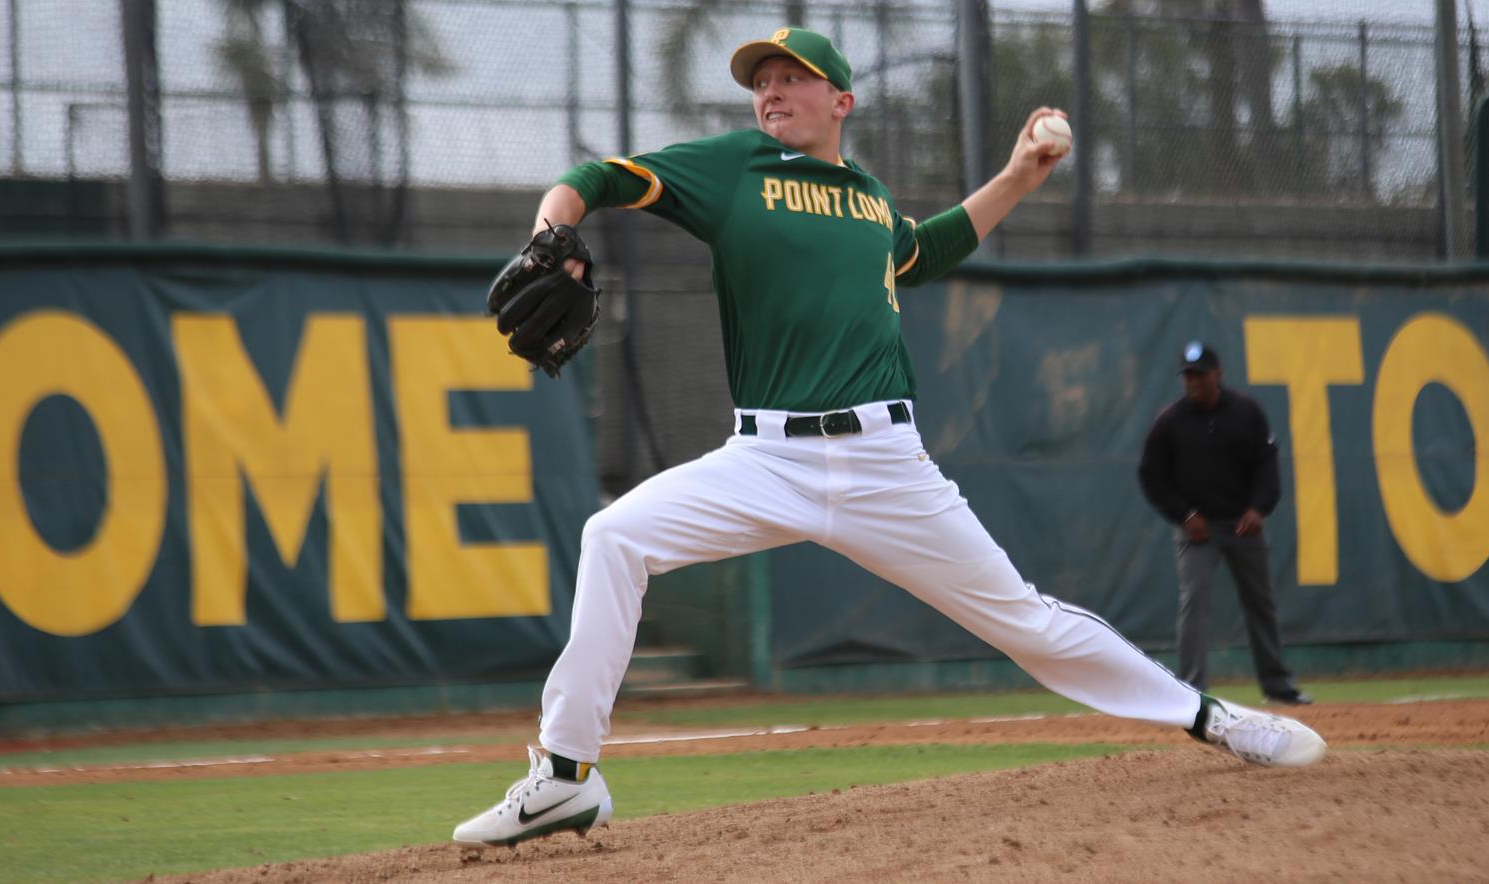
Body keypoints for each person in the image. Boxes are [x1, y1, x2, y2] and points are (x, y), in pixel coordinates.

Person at [451, 28, 1325, 850]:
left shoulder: (869, 201)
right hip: (765, 458)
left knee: (1024, 619)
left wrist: (1021, 173)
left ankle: (1215, 719)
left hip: (886, 465)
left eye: (791, 77)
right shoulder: (732, 169)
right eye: (761, 81)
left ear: (843, 101)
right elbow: (595, 179)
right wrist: (548, 231)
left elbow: (925, 248)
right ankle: (566, 774)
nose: (770, 91)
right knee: (614, 537)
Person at [1137, 342, 1310, 705]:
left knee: (1260, 601)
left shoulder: (1246, 413)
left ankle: (1277, 686)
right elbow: (1151, 476)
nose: (1193, 381)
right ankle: (1189, 693)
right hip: (1197, 529)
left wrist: (1259, 509)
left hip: (1242, 525)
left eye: (1199, 374)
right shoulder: (1170, 421)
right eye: (1188, 375)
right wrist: (1184, 515)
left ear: (1218, 374)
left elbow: (1267, 464)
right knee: (1194, 602)